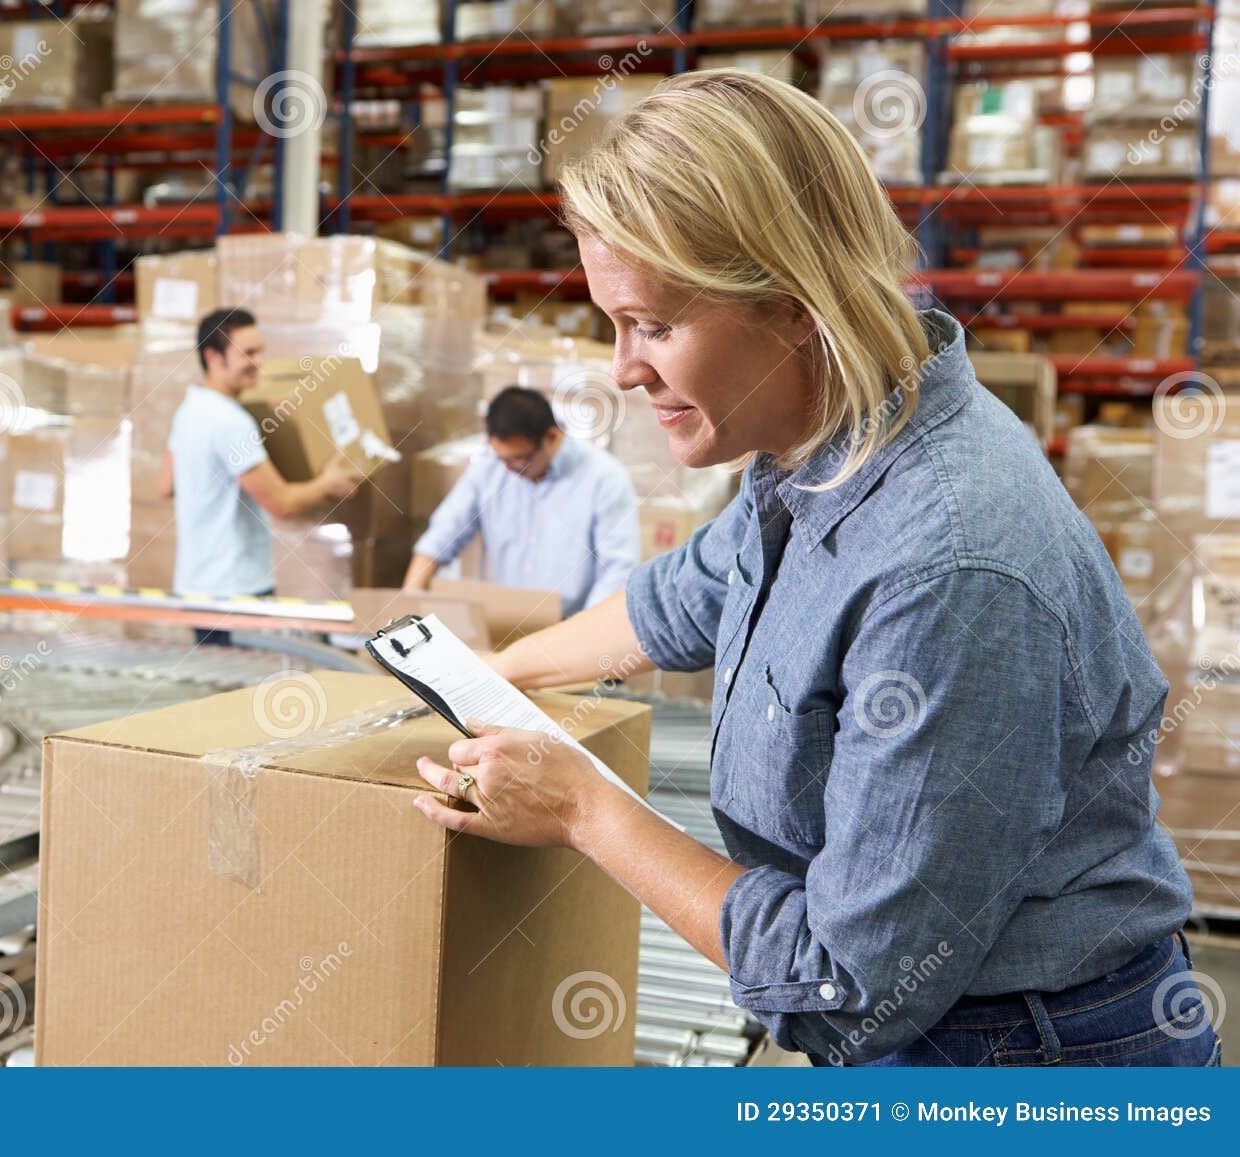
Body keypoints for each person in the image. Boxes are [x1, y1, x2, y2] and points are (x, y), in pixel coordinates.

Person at [407, 71, 1221, 1068]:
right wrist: (485, 678)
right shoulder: (825, 443)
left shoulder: (946, 565)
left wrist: (581, 804)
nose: (622, 367)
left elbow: (849, 987)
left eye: (654, 325)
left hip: (1019, 1056)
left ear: (793, 305)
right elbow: (684, 594)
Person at [157, 307, 359, 645]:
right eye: (247, 354)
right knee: (242, 691)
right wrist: (327, 483)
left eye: (260, 351)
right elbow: (281, 504)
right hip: (235, 591)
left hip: (195, 587)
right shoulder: (232, 422)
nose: (259, 361)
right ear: (213, 357)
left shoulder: (190, 409)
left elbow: (166, 486)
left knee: (218, 689)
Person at [401, 386, 639, 617]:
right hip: (502, 623)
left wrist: (582, 635)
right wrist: (408, 605)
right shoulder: (489, 470)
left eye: (519, 460)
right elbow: (439, 538)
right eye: (502, 459)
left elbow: (618, 570)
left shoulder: (605, 478)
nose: (509, 469)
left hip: (571, 624)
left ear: (552, 437)